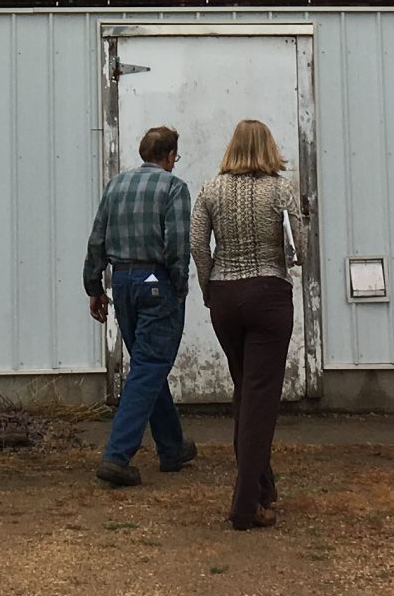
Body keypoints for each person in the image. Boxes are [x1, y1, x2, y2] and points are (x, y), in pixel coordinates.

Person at [191, 117, 306, 530]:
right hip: (268, 294)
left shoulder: (209, 189)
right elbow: (302, 240)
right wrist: (294, 263)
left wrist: (208, 286)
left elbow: (196, 243)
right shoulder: (280, 188)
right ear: (269, 147)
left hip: (225, 295)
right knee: (261, 397)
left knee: (246, 392)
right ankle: (244, 504)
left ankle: (262, 488)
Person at [82, 124, 196, 487]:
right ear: (170, 156)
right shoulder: (173, 187)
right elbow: (177, 243)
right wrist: (179, 286)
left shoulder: (115, 186)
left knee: (148, 361)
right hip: (154, 281)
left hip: (123, 281)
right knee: (149, 366)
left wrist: (94, 286)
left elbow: (97, 237)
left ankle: (172, 447)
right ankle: (117, 455)